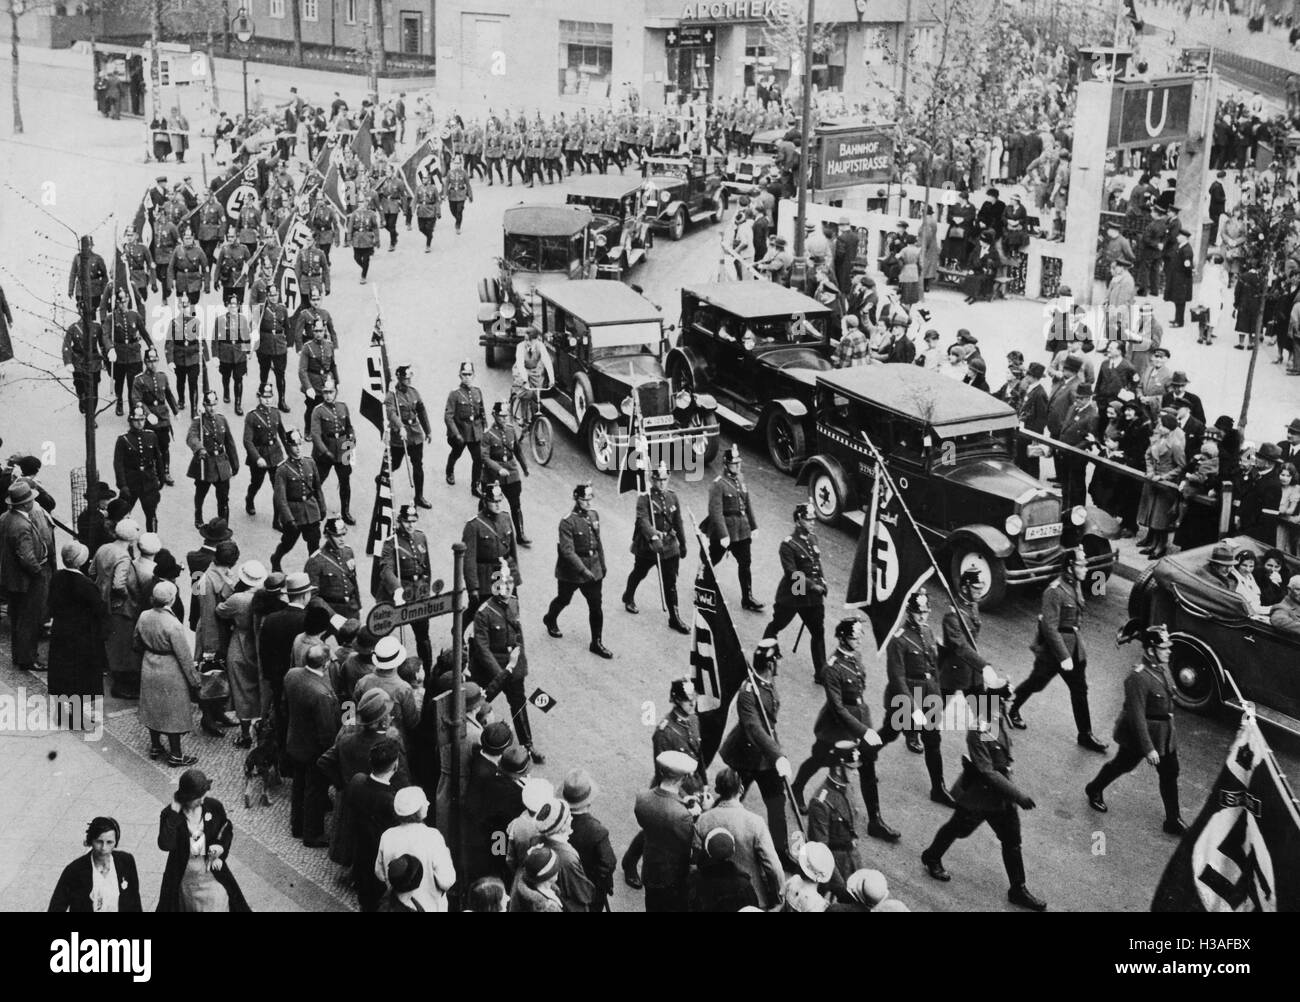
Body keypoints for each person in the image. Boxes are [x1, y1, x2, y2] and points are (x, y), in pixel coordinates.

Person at [921, 666, 1047, 911]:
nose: (1010, 702)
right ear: (998, 699)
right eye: (1007, 698)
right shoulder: (981, 728)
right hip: (979, 797)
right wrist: (1018, 795)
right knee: (958, 829)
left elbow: (1001, 757)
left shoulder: (997, 716)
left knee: (1012, 841)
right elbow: (987, 771)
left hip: (1001, 796)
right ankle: (932, 856)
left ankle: (1017, 889)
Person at [791, 617, 899, 840]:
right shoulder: (832, 668)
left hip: (859, 718)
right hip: (837, 726)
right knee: (820, 758)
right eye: (854, 637)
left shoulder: (855, 656)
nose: (858, 640)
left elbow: (859, 687)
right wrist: (863, 731)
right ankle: (797, 788)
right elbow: (837, 707)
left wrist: (863, 727)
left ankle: (875, 820)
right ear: (842, 637)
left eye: (860, 636)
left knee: (867, 766)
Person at [1086, 622, 1186, 835]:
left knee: (1170, 772)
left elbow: (1167, 689)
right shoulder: (1138, 677)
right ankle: (1094, 788)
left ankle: (1173, 819)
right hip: (1139, 735)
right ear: (1151, 650)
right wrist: (1149, 748)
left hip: (1164, 732)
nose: (1168, 651)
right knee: (1123, 765)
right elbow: (1136, 716)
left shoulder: (1161, 666)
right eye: (1164, 648)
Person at [1008, 547, 1108, 752]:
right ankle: (1012, 708)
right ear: (1070, 567)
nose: (1086, 568)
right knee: (1037, 683)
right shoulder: (1054, 591)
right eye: (1082, 565)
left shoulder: (1075, 585)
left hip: (1074, 647)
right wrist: (1063, 656)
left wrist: (1072, 652)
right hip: (1053, 653)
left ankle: (1085, 734)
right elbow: (1049, 626)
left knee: (1080, 691)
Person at [157, 769, 250, 911]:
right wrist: (174, 813)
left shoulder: (213, 807)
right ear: (187, 796)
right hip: (186, 878)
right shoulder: (170, 815)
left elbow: (225, 829)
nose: (202, 800)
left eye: (203, 796)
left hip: (212, 874)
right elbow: (165, 844)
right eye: (197, 797)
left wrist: (220, 848)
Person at [136, 580, 202, 767]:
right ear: (172, 599)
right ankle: (176, 754)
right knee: (174, 711)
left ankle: (156, 746)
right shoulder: (173, 624)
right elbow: (185, 657)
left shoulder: (144, 616)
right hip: (170, 669)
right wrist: (195, 681)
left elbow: (136, 642)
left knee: (152, 707)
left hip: (149, 664)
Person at [544, 482, 612, 658]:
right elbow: (567, 551)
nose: (588, 503)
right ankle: (550, 618)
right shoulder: (567, 522)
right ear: (576, 498)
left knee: (596, 606)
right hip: (571, 572)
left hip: (594, 567)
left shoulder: (594, 515)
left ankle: (596, 642)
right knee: (564, 599)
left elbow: (598, 543)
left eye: (590, 499)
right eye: (584, 500)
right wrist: (583, 571)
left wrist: (602, 566)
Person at [284, 644, 341, 847]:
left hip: (296, 741)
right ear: (325, 664)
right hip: (315, 750)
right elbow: (327, 732)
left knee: (299, 786)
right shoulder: (321, 694)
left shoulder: (292, 675)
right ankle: (313, 834)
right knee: (315, 791)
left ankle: (297, 825)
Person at [622, 462, 689, 633]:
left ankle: (674, 617)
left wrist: (683, 543)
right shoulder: (645, 498)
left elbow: (678, 522)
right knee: (639, 572)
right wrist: (653, 536)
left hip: (669, 544)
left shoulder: (673, 497)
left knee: (670, 582)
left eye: (665, 480)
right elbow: (642, 520)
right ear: (652, 479)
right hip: (649, 546)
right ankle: (628, 596)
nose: (662, 483)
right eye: (658, 480)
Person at [46, 541, 107, 717]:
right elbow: (98, 608)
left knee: (61, 671)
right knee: (81, 675)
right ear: (80, 561)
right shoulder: (85, 584)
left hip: (61, 631)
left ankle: (60, 711)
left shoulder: (57, 577)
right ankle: (78, 716)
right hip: (82, 635)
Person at [341, 738, 401, 911]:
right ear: (395, 765)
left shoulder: (357, 781)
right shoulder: (391, 800)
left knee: (366, 901)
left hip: (360, 856)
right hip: (380, 862)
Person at [374, 786, 456, 911]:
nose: (428, 804)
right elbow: (447, 881)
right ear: (420, 811)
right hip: (430, 907)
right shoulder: (433, 836)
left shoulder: (387, 836)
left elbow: (379, 873)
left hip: (397, 906)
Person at [635, 750, 697, 912]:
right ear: (682, 779)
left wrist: (682, 803)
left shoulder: (642, 798)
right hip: (673, 875)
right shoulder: (682, 815)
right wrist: (695, 816)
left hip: (650, 867)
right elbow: (690, 843)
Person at [215, 560, 267, 747]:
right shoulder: (265, 597)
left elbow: (220, 611)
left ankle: (245, 734)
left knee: (241, 690)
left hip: (241, 644)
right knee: (261, 689)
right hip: (260, 646)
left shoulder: (238, 599)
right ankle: (262, 727)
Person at [707, 445, 763, 612]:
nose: (737, 467)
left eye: (738, 463)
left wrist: (753, 526)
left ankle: (747, 598)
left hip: (742, 529)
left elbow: (747, 504)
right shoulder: (718, 484)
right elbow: (715, 511)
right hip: (725, 529)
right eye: (734, 464)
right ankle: (701, 580)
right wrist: (723, 534)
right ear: (726, 465)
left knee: (745, 563)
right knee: (711, 559)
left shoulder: (740, 480)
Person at [49, 817, 144, 912]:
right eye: (99, 842)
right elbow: (56, 907)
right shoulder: (75, 870)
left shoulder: (126, 861)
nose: (104, 848)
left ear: (116, 842)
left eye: (109, 842)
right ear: (91, 841)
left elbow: (135, 900)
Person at [270, 429, 326, 573]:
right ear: (288, 447)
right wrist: (288, 519)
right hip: (294, 514)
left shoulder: (310, 462)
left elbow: (317, 487)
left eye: (300, 444)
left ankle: (312, 572)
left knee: (314, 545)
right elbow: (280, 498)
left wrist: (322, 506)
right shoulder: (282, 469)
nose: (298, 448)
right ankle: (276, 558)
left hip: (311, 510)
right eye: (294, 445)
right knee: (288, 543)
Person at [187, 389, 240, 530]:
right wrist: (199, 448)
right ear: (204, 405)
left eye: (214, 404)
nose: (212, 408)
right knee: (201, 493)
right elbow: (191, 437)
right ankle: (198, 514)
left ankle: (223, 525)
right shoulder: (198, 422)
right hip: (206, 463)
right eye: (209, 405)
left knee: (223, 498)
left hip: (221, 463)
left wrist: (235, 464)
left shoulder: (222, 419)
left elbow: (230, 442)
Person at [480, 401, 531, 544]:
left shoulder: (510, 429)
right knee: (487, 504)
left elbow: (517, 450)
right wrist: (498, 469)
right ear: (494, 415)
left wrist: (525, 467)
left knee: (516, 505)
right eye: (501, 416)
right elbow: (484, 457)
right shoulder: (488, 434)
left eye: (506, 416)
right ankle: (483, 530)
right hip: (493, 474)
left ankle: (520, 534)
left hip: (511, 471)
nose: (504, 419)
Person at [387, 364, 433, 508]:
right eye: (405, 378)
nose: (408, 380)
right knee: (394, 464)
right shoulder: (392, 395)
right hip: (399, 437)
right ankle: (382, 480)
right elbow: (391, 413)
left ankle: (419, 496)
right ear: (399, 378)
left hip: (415, 433)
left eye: (409, 378)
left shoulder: (414, 392)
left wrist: (428, 431)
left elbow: (421, 411)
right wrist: (400, 427)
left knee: (418, 465)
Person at [114, 404, 164, 533]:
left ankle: (152, 539)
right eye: (136, 420)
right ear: (130, 421)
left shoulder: (151, 436)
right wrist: (122, 485)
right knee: (122, 514)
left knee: (151, 514)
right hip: (131, 483)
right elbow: (118, 464)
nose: (140, 423)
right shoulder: (123, 440)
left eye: (142, 420)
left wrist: (161, 478)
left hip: (148, 482)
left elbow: (158, 458)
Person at [242, 383, 289, 516]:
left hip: (275, 454)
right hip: (260, 454)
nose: (268, 400)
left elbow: (282, 434)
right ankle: (249, 499)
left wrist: (290, 453)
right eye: (264, 397)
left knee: (278, 487)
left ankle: (277, 519)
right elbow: (247, 441)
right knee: (256, 483)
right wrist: (257, 458)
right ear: (259, 397)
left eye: (270, 397)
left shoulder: (275, 412)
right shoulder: (252, 416)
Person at [445, 360, 487, 493]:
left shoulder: (477, 391)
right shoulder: (455, 394)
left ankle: (475, 486)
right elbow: (448, 416)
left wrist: (484, 428)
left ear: (473, 375)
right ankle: (449, 471)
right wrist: (456, 434)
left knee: (478, 459)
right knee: (456, 453)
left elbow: (482, 411)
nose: (467, 377)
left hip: (475, 432)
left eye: (470, 374)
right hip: (461, 432)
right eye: (464, 374)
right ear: (460, 376)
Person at [445, 154, 473, 234]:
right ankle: (458, 218)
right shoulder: (450, 173)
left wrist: (470, 195)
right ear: (453, 164)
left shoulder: (464, 173)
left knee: (459, 210)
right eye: (455, 163)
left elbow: (468, 185)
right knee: (452, 210)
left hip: (461, 194)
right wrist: (444, 194)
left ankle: (458, 226)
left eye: (458, 163)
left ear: (461, 164)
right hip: (452, 194)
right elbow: (446, 184)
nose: (457, 165)